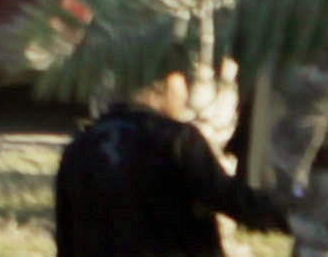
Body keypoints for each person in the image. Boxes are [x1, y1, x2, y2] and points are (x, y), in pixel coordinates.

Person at [53, 65, 289, 257]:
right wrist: (292, 214)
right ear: (164, 85)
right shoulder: (177, 140)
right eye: (182, 81)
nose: (186, 94)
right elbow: (231, 199)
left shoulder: (79, 148)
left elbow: (66, 237)